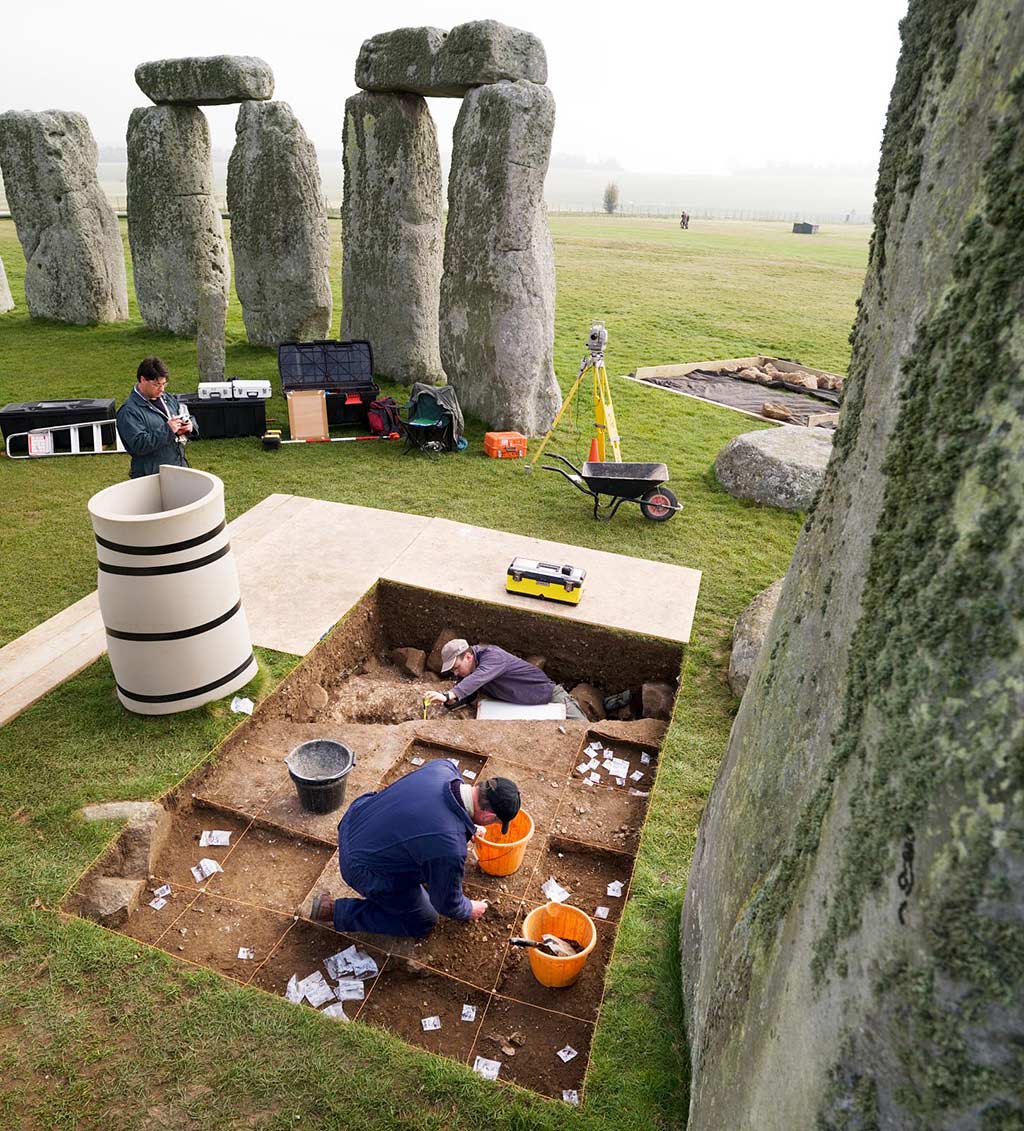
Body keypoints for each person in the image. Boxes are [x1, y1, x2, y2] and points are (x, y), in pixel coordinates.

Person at [311, 763, 521, 938]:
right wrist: (468, 909)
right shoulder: (450, 848)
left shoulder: (444, 768)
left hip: (356, 820)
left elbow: (434, 812)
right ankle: (335, 912)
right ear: (487, 815)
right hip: (359, 867)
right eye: (496, 821)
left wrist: (468, 828)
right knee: (423, 919)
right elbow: (447, 904)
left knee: (428, 856)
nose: (493, 825)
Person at [424, 638, 586, 720]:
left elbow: (478, 678)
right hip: (524, 710)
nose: (456, 673)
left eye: (456, 667)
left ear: (468, 657)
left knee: (586, 732)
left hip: (550, 698)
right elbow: (468, 693)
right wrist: (450, 701)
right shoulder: (469, 673)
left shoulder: (493, 657)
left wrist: (449, 694)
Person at [115, 357, 196, 479]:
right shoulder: (128, 411)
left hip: (178, 467)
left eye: (164, 384)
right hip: (150, 476)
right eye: (157, 384)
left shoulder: (168, 398)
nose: (162, 389)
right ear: (143, 379)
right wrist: (168, 430)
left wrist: (190, 426)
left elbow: (185, 416)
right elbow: (139, 445)